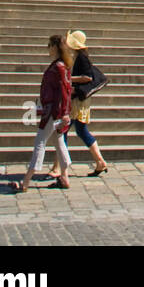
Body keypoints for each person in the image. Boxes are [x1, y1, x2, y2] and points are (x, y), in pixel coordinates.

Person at [11, 34, 72, 192]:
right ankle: (64, 176)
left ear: (55, 47)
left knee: (40, 142)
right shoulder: (60, 65)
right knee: (58, 142)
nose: (48, 48)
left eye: (50, 45)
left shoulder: (58, 66)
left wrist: (64, 112)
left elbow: (65, 91)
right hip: (53, 109)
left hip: (53, 111)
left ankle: (26, 181)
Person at [51, 30, 108, 178]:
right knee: (80, 130)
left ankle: (58, 167)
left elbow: (87, 77)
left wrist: (68, 78)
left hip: (77, 101)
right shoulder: (78, 56)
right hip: (78, 99)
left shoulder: (82, 58)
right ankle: (99, 161)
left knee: (62, 131)